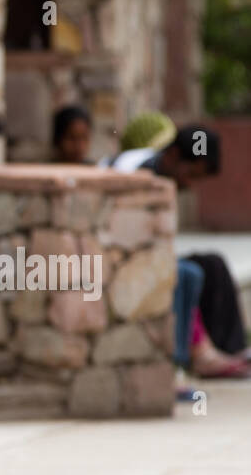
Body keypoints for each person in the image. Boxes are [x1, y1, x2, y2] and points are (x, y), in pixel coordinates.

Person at [106, 123, 248, 379]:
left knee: (212, 264)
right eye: (191, 174)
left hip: (140, 255)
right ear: (173, 156)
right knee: (185, 274)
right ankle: (187, 361)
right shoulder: (136, 174)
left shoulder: (163, 177)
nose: (190, 184)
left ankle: (229, 350)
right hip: (113, 258)